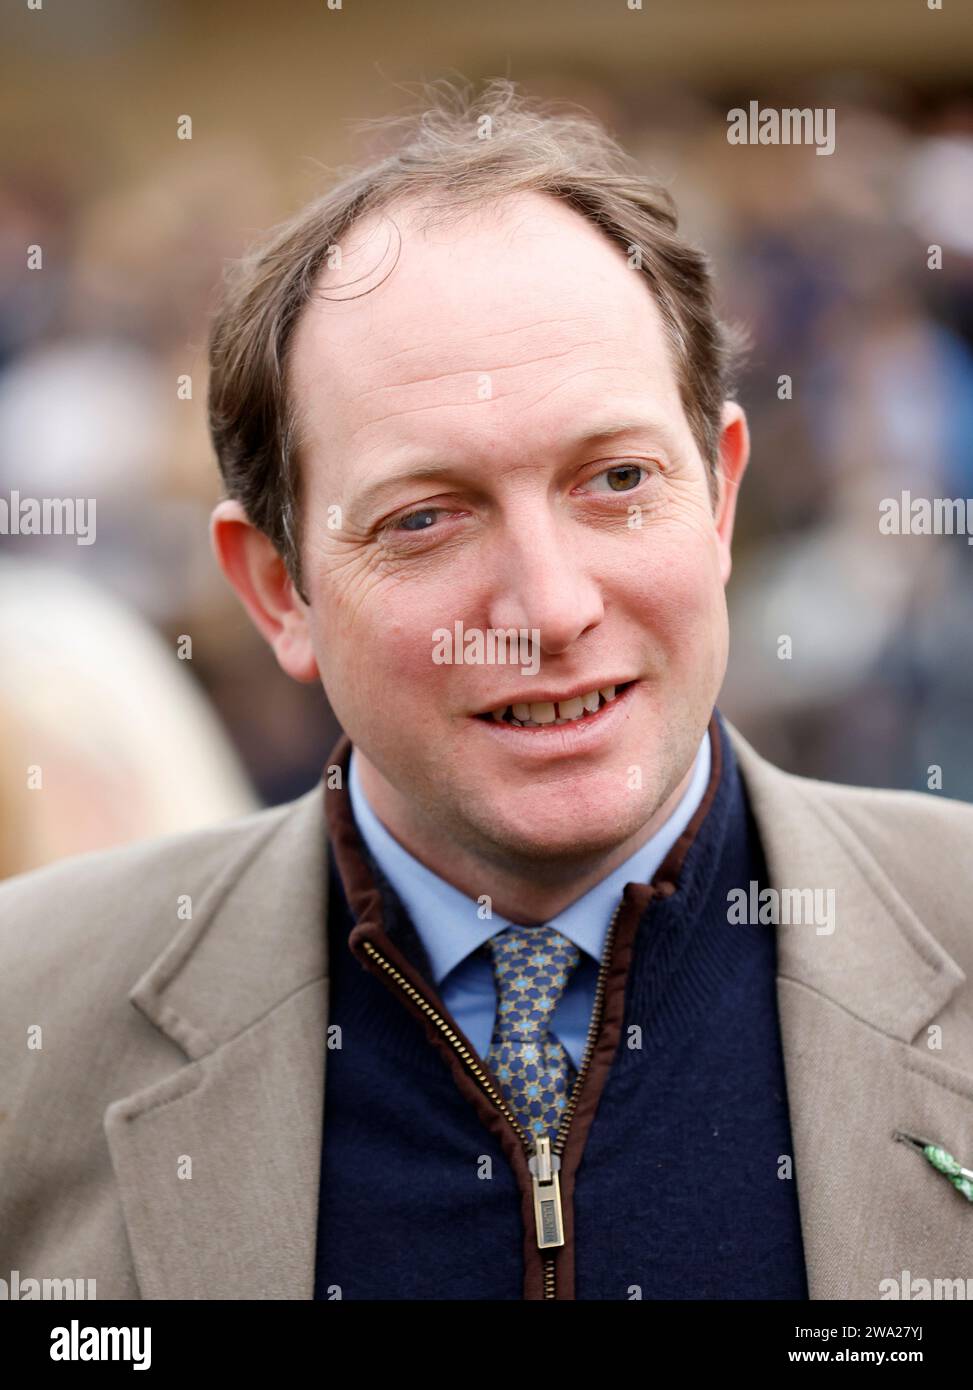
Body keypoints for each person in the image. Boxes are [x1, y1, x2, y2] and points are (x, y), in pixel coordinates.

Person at [2, 80, 972, 1302]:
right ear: (276, 591)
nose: (550, 606)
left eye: (616, 478)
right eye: (426, 518)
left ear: (719, 500)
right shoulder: (24, 1023)